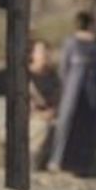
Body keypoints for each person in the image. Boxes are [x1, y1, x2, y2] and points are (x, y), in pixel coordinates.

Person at [46, 11, 96, 176]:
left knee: (80, 125)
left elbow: (64, 69)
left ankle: (76, 164)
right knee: (72, 124)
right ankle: (63, 161)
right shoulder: (75, 43)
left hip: (81, 89)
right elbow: (65, 69)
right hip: (79, 89)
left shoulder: (88, 43)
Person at [27, 38, 60, 169]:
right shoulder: (26, 76)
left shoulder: (54, 75)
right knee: (41, 127)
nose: (45, 55)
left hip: (52, 115)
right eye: (41, 52)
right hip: (34, 117)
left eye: (47, 52)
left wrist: (53, 112)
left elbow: (59, 98)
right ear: (33, 54)